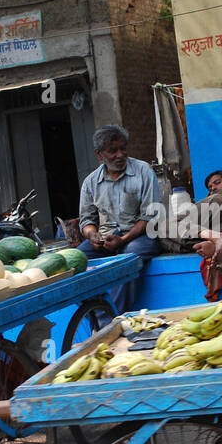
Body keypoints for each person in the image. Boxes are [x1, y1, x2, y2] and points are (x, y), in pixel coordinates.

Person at [77, 124, 161, 310]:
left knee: (127, 260)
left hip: (141, 236)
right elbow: (87, 220)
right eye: (112, 151)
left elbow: (150, 217)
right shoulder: (91, 182)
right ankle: (91, 313)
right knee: (75, 261)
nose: (120, 155)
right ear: (99, 155)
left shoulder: (143, 171)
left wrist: (122, 240)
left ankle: (112, 318)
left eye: (123, 148)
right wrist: (92, 236)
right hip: (107, 238)